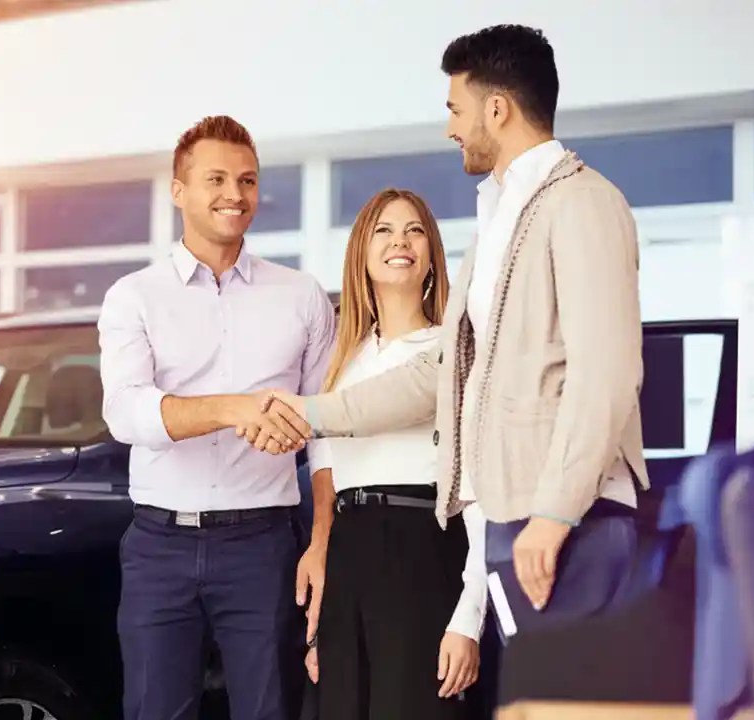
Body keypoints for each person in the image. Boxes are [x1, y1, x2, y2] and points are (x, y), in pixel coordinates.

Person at [262, 24, 649, 641]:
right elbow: (442, 373)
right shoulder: (500, 220)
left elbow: (606, 374)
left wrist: (554, 514)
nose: (450, 127)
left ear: (495, 109)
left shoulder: (582, 203)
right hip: (512, 519)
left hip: (568, 521)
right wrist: (310, 412)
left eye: (455, 108)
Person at [98, 115, 335, 720]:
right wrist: (235, 407)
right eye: (218, 178)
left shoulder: (301, 296)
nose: (236, 193)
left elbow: (329, 431)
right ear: (179, 190)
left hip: (264, 545)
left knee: (271, 710)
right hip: (158, 546)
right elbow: (126, 411)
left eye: (248, 180)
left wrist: (324, 542)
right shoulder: (135, 296)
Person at [289, 188, 486, 719]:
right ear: (361, 253)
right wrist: (322, 618)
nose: (400, 241)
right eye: (384, 230)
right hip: (350, 555)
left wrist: (468, 616)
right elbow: (327, 480)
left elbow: (480, 492)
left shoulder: (453, 347)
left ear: (430, 257)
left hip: (422, 551)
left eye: (415, 230)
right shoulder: (340, 361)